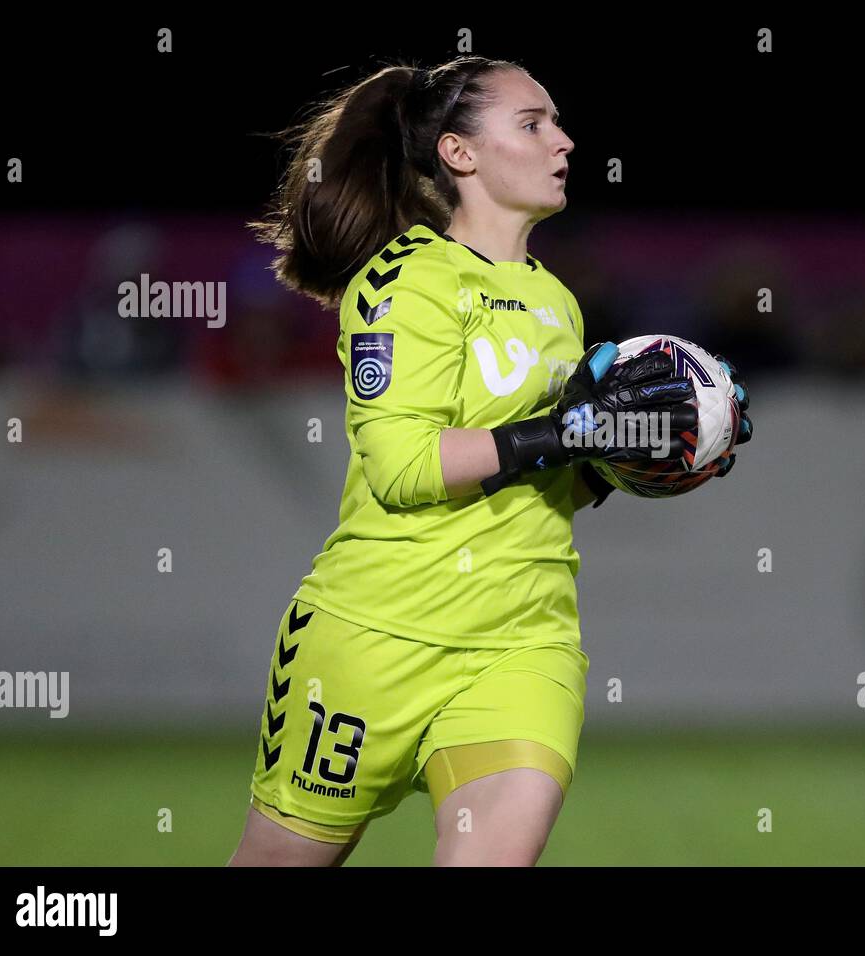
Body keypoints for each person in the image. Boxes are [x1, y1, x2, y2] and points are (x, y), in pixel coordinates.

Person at [227, 56, 752, 866]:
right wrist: (566, 435)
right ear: (460, 154)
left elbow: (553, 483)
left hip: (522, 642)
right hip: (374, 641)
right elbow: (403, 470)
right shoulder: (404, 282)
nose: (565, 141)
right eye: (533, 123)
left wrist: (646, 455)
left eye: (557, 121)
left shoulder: (557, 299)